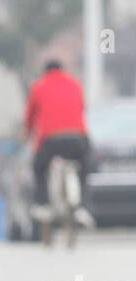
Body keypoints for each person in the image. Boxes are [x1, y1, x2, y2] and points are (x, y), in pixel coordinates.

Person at [23, 60, 93, 224]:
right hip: (78, 139)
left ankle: (43, 204)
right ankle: (83, 205)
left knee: (38, 166)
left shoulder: (39, 86)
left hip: (52, 140)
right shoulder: (76, 84)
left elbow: (30, 117)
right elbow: (82, 108)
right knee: (85, 167)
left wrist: (27, 133)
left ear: (45, 71)